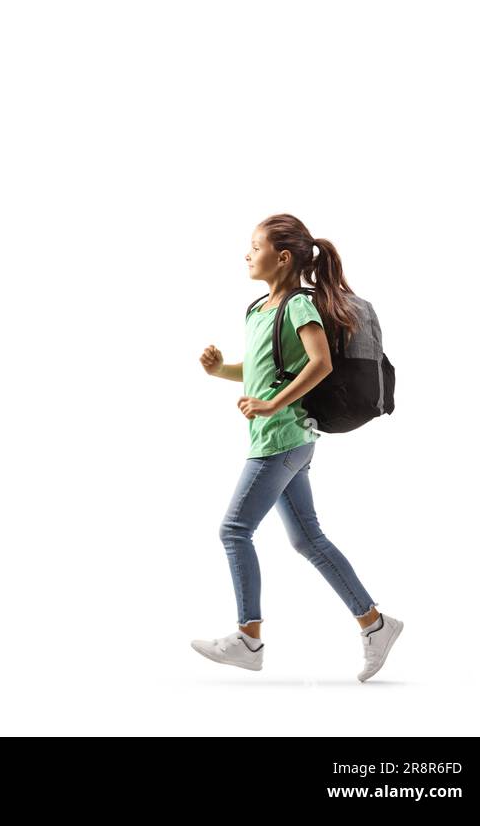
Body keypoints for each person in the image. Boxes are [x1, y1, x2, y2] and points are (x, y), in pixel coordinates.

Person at [193, 214, 403, 681]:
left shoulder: (299, 307)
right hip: (282, 439)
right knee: (307, 539)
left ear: (282, 257)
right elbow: (261, 367)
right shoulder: (257, 309)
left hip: (282, 440)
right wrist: (221, 370)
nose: (247, 253)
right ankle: (376, 624)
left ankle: (248, 638)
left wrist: (271, 405)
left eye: (255, 246)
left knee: (233, 531)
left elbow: (321, 363)